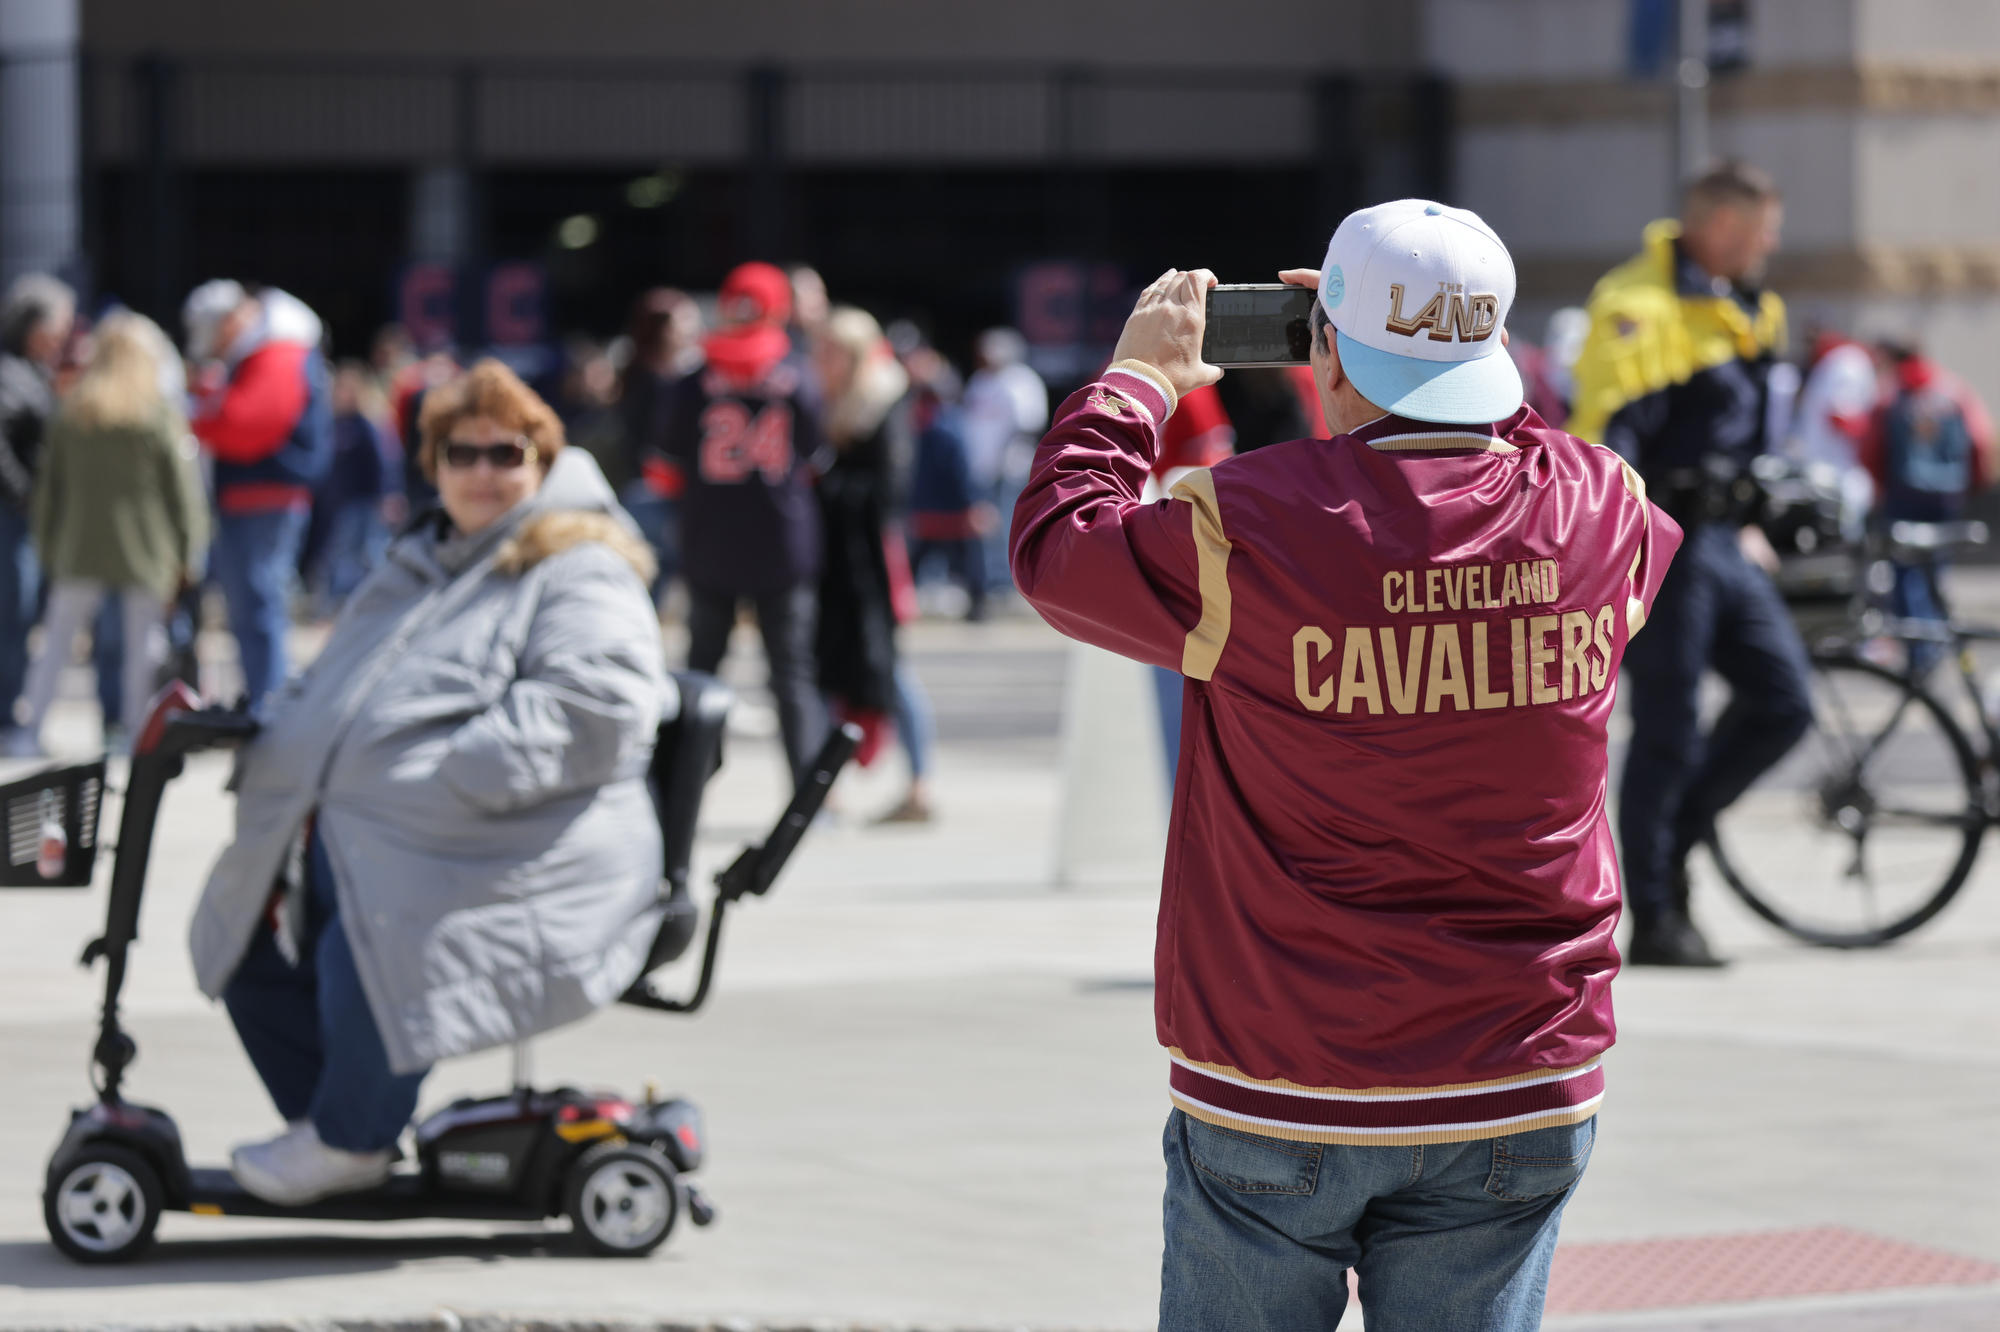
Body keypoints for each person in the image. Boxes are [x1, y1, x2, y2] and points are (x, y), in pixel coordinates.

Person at [1012, 200, 1680, 1332]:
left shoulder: (1250, 526)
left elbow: (1055, 547)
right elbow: (1523, 457)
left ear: (1323, 344)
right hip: (1518, 1065)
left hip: (1286, 1072)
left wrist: (1134, 384)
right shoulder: (1600, 505)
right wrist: (1418, 345)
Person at [189, 358, 668, 1206]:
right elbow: (328, 681)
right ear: (434, 464)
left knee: (374, 929)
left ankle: (351, 1135)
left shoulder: (579, 563)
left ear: (544, 461)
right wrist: (271, 735)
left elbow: (597, 707)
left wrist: (441, 776)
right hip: (395, 829)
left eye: (507, 453)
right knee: (243, 927)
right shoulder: (419, 562)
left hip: (518, 837)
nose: (484, 473)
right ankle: (337, 1122)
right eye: (462, 454)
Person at [1568, 160, 1810, 968]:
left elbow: (1751, 431)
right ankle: (1661, 914)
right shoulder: (1637, 305)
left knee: (1786, 701)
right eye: (1763, 230)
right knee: (1666, 729)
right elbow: (1609, 440)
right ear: (1723, 228)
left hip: (1724, 541)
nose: (1771, 244)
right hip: (1661, 544)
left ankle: (1680, 830)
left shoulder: (1748, 306)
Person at [664, 261, 828, 786]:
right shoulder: (797, 374)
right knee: (792, 676)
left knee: (700, 673)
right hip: (782, 545)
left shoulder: (692, 381)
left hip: (710, 544)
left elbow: (663, 470)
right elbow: (814, 460)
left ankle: (684, 784)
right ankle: (807, 794)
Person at [14, 314, 207, 754]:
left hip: (78, 545)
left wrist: (45, 544)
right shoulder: (157, 415)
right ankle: (136, 735)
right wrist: (188, 553)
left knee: (57, 643)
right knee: (143, 649)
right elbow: (183, 493)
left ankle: (30, 731)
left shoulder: (72, 410)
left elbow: (49, 491)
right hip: (144, 547)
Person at [182, 280, 334, 709]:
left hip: (262, 499)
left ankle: (269, 706)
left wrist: (199, 415)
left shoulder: (279, 349)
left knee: (258, 608)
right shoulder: (270, 346)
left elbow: (246, 426)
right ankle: (265, 700)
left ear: (230, 322)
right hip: (256, 498)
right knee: (253, 608)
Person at [812, 306, 932, 818]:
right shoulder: (826, 402)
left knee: (888, 668)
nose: (823, 359)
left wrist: (822, 487)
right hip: (830, 561)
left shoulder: (882, 401)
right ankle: (824, 789)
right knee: (825, 670)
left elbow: (890, 491)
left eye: (832, 350)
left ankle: (920, 784)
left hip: (871, 563)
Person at [1861, 341, 1995, 673]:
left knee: (1904, 573)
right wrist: (1971, 484)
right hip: (1945, 494)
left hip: (1903, 494)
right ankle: (1936, 639)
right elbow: (1981, 438)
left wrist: (1880, 486)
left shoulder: (1891, 394)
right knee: (1937, 568)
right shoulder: (1952, 389)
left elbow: (1870, 446)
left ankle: (1920, 648)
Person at [0, 275, 76, 732]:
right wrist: (23, 493)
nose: (65, 337)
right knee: (13, 615)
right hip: (12, 517)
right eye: (60, 326)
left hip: (23, 516)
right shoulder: (10, 372)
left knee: (21, 615)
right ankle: (6, 712)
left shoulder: (30, 371)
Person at [617, 288, 704, 592]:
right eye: (686, 320)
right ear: (664, 329)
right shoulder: (659, 382)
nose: (695, 328)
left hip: (647, 492)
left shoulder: (644, 373)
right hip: (655, 495)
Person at [303, 361, 400, 616]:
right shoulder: (333, 422)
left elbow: (383, 462)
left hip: (364, 500)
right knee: (339, 553)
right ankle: (341, 606)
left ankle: (375, 603)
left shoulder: (366, 423)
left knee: (367, 553)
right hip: (338, 501)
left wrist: (387, 495)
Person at [962, 327, 1047, 601]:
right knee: (986, 525)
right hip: (980, 466)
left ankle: (1010, 582)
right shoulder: (979, 380)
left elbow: (1029, 425)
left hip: (1010, 466)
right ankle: (991, 580)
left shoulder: (1021, 380)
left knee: (1009, 523)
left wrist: (1002, 458)